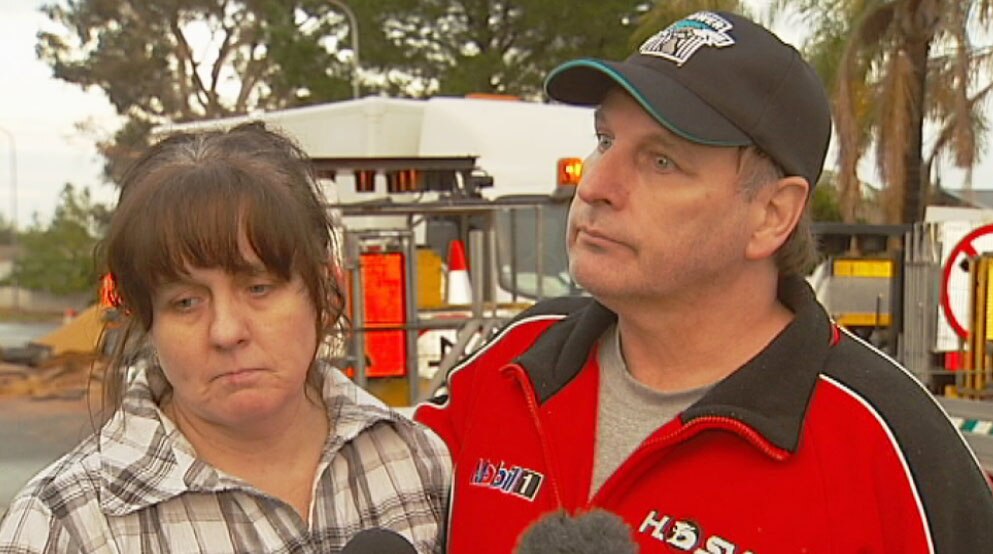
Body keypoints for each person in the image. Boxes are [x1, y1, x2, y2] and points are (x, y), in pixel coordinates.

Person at [415, 10, 993, 553]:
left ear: (771, 215)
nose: (595, 185)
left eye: (661, 161)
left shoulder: (886, 445)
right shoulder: (512, 364)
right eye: (606, 140)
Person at [0, 123, 451, 553]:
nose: (226, 331)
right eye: (185, 302)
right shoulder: (65, 524)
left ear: (327, 292)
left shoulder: (420, 462)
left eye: (258, 288)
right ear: (146, 320)